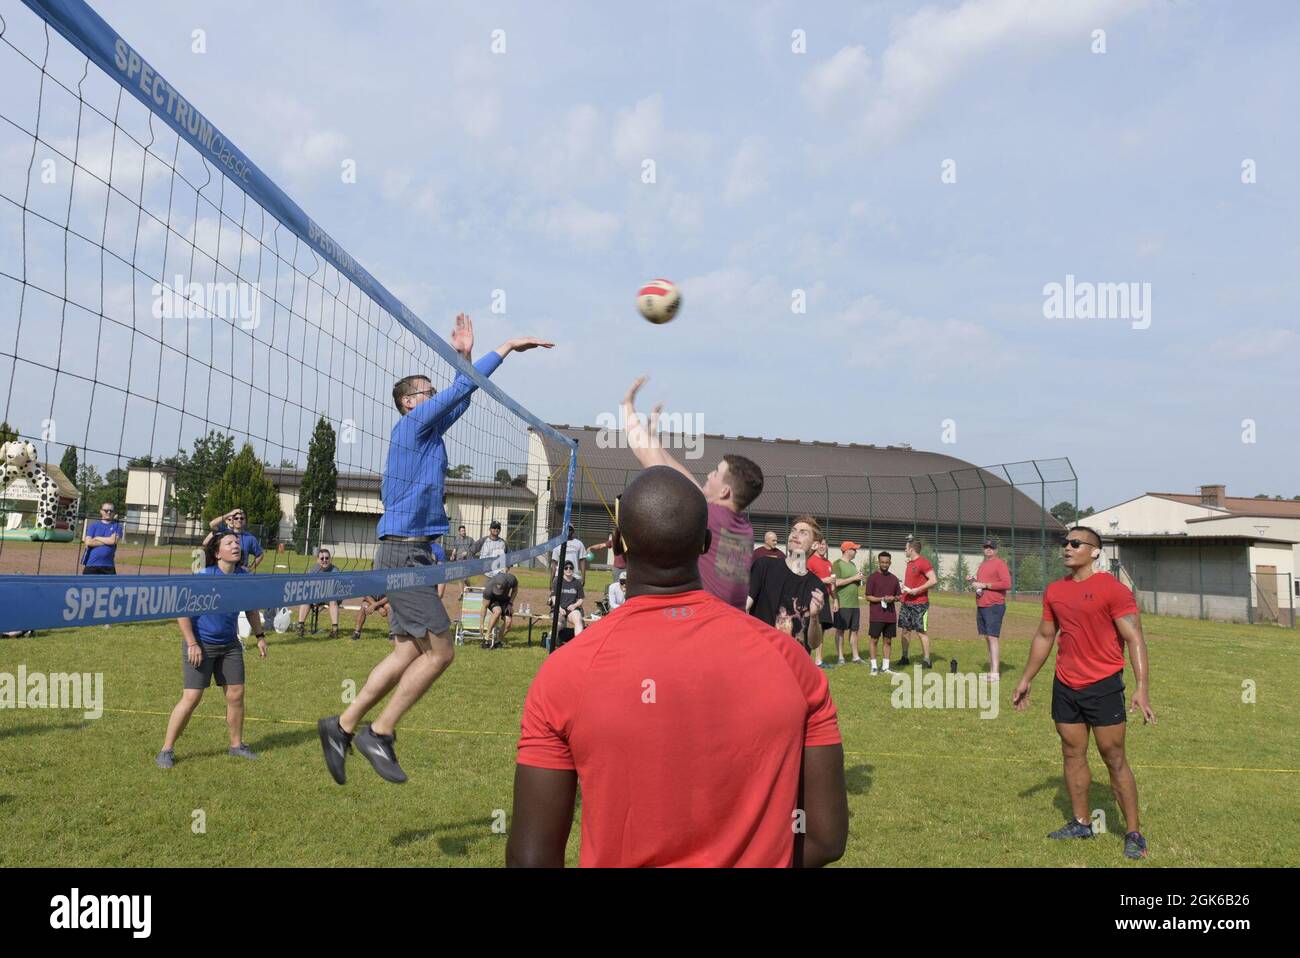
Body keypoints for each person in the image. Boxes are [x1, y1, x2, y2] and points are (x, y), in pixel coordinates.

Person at [507, 466, 847, 867]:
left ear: (618, 546)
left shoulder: (565, 672)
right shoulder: (790, 662)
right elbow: (825, 838)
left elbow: (532, 859)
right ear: (705, 543)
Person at [318, 313, 552, 785]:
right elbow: (458, 394)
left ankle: (341, 725)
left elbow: (458, 399)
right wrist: (502, 348)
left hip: (413, 550)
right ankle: (378, 732)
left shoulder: (427, 433)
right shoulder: (409, 429)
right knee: (442, 652)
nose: (433, 398)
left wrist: (464, 359)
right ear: (409, 404)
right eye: (426, 393)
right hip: (404, 552)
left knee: (408, 651)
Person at [1013, 526, 1155, 861]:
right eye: (1065, 543)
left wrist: (1142, 687)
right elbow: (1045, 636)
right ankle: (1081, 823)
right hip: (1065, 686)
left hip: (1103, 686)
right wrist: (1026, 678)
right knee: (1072, 753)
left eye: (1075, 543)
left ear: (1094, 551)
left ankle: (1134, 833)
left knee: (1114, 758)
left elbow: (1134, 638)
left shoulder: (1113, 589)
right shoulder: (1054, 591)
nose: (1067, 547)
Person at [621, 377, 763, 610]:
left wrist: (627, 405)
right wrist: (654, 435)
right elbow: (677, 472)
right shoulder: (741, 528)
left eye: (716, 473)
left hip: (706, 625)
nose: (709, 475)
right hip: (729, 623)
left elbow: (650, 458)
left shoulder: (709, 516)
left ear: (725, 491)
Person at [156, 531, 267, 769]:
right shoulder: (204, 577)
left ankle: (236, 746)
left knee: (236, 694)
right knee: (192, 697)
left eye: (237, 542)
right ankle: (166, 749)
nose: (236, 545)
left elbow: (251, 609)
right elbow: (181, 610)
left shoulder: (243, 577)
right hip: (200, 643)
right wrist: (192, 643)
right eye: (229, 543)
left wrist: (259, 636)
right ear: (217, 553)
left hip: (229, 645)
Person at [747, 516, 826, 650]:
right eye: (793, 531)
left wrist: (814, 617)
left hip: (794, 665)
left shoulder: (817, 586)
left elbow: (814, 643)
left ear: (815, 545)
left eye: (803, 533)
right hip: (761, 657)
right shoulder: (764, 566)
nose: (795, 535)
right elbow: (744, 606)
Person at [969, 538, 1012, 678]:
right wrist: (973, 581)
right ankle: (992, 669)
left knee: (992, 637)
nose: (988, 549)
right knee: (988, 637)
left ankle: (995, 672)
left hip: (994, 605)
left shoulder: (1000, 564)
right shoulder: (983, 565)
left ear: (996, 550)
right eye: (986, 547)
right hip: (982, 604)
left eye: (991, 547)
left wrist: (985, 585)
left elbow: (1006, 584)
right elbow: (981, 584)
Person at [897, 539, 937, 669]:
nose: (904, 550)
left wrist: (917, 590)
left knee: (921, 632)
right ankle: (904, 657)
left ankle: (926, 660)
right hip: (906, 602)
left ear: (911, 549)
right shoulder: (910, 563)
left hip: (920, 604)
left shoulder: (923, 562)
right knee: (905, 631)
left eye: (905, 548)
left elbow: (933, 580)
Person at [863, 551, 902, 674]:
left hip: (890, 616)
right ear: (879, 562)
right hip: (876, 615)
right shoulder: (872, 578)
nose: (884, 564)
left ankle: (885, 667)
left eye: (887, 562)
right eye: (882, 562)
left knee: (888, 641)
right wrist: (882, 599)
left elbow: (899, 596)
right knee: (874, 640)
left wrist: (894, 598)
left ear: (890, 563)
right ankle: (874, 667)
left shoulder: (894, 579)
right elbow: (868, 596)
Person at [831, 542, 865, 666]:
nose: (856, 551)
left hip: (855, 604)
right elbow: (835, 583)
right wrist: (853, 578)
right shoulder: (837, 564)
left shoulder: (852, 564)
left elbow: (853, 581)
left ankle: (855, 657)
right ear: (847, 550)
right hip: (843, 604)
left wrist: (859, 580)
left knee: (854, 631)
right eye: (854, 549)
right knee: (840, 631)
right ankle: (840, 657)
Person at [296, 548, 341, 639]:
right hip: (317, 595)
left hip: (331, 596)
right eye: (322, 558)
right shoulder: (313, 570)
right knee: (306, 599)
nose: (324, 560)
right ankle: (300, 627)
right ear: (318, 560)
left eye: (327, 558)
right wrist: (314, 596)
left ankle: (335, 630)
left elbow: (336, 589)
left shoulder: (335, 570)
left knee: (332, 600)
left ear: (330, 559)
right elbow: (307, 586)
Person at [808, 537, 838, 669]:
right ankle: (809, 658)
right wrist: (823, 580)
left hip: (825, 598)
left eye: (824, 544)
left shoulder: (828, 563)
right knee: (814, 628)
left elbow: (831, 584)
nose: (822, 546)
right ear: (815, 545)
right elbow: (806, 580)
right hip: (813, 598)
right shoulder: (810, 561)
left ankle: (818, 660)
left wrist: (835, 599)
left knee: (822, 630)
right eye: (819, 544)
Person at [482, 565, 519, 649]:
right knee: (497, 611)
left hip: (505, 600)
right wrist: (481, 624)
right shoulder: (488, 588)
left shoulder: (511, 579)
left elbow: (515, 590)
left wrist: (510, 603)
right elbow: (484, 607)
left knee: (508, 623)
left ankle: (498, 641)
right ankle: (486, 637)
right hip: (493, 600)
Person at [81, 502, 123, 575]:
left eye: (111, 511)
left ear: (114, 512)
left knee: (111, 586)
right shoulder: (93, 525)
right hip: (91, 564)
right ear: (101, 511)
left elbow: (113, 541)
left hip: (108, 566)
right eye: (106, 510)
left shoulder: (117, 526)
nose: (109, 512)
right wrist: (108, 540)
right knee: (86, 585)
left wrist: (96, 538)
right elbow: (88, 542)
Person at [548, 561, 585, 640]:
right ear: (563, 570)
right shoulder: (557, 581)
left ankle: (579, 644)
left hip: (572, 609)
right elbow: (553, 597)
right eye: (566, 568)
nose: (568, 569)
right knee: (558, 623)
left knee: (578, 620)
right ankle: (551, 642)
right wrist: (559, 608)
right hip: (558, 608)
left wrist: (574, 605)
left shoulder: (577, 583)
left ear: (573, 569)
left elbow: (581, 599)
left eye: (571, 568)